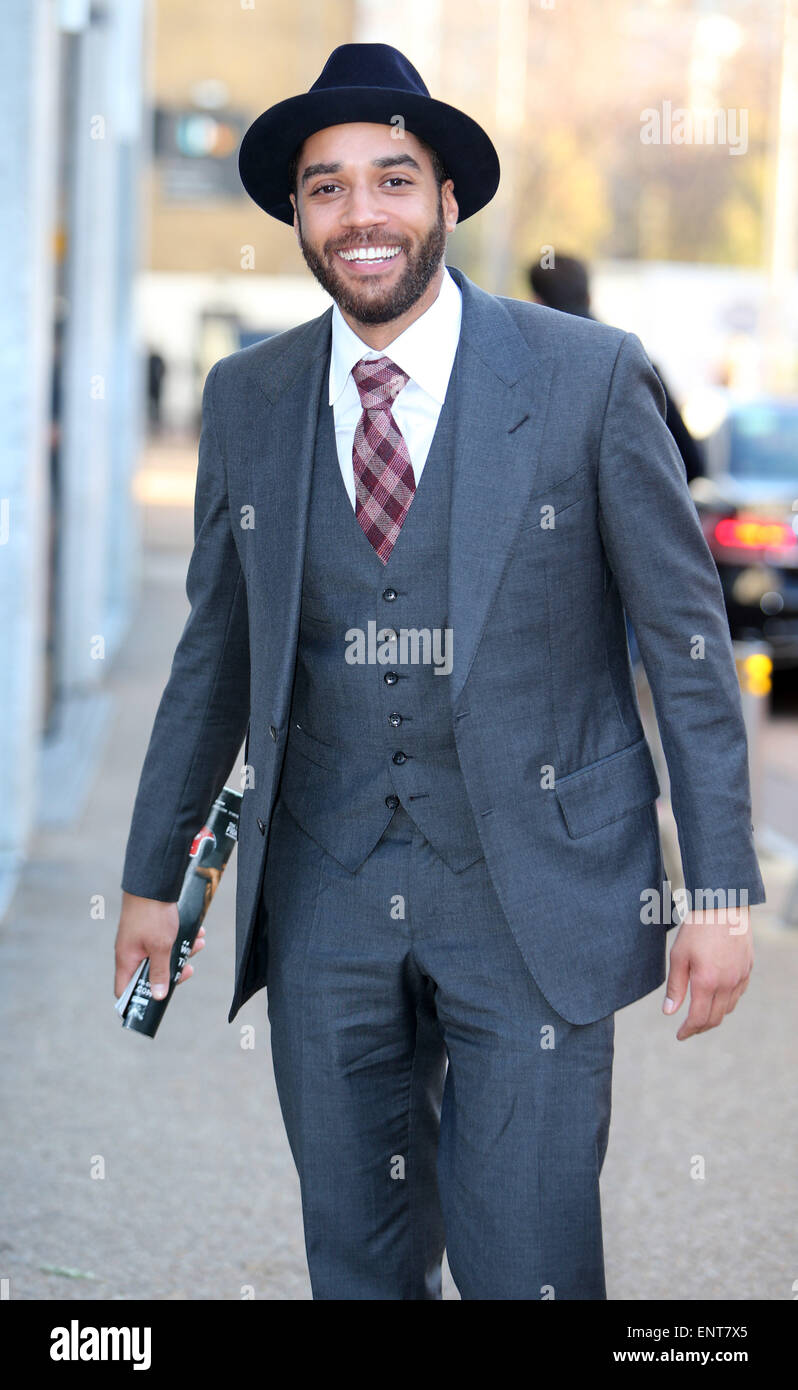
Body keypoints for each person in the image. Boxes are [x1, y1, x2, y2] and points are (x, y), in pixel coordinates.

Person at [115, 43, 765, 1301]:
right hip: (323, 893)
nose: (361, 213)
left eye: (393, 179)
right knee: (355, 1265)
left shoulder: (588, 377)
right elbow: (214, 653)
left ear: (447, 199)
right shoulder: (247, 399)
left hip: (538, 895)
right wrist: (155, 877)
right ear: (298, 214)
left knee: (528, 1263)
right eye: (326, 187)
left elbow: (689, 650)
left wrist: (720, 888)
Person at [528, 255, 705, 485]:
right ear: (590, 298)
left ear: (536, 302)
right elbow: (690, 464)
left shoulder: (526, 373)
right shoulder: (631, 363)